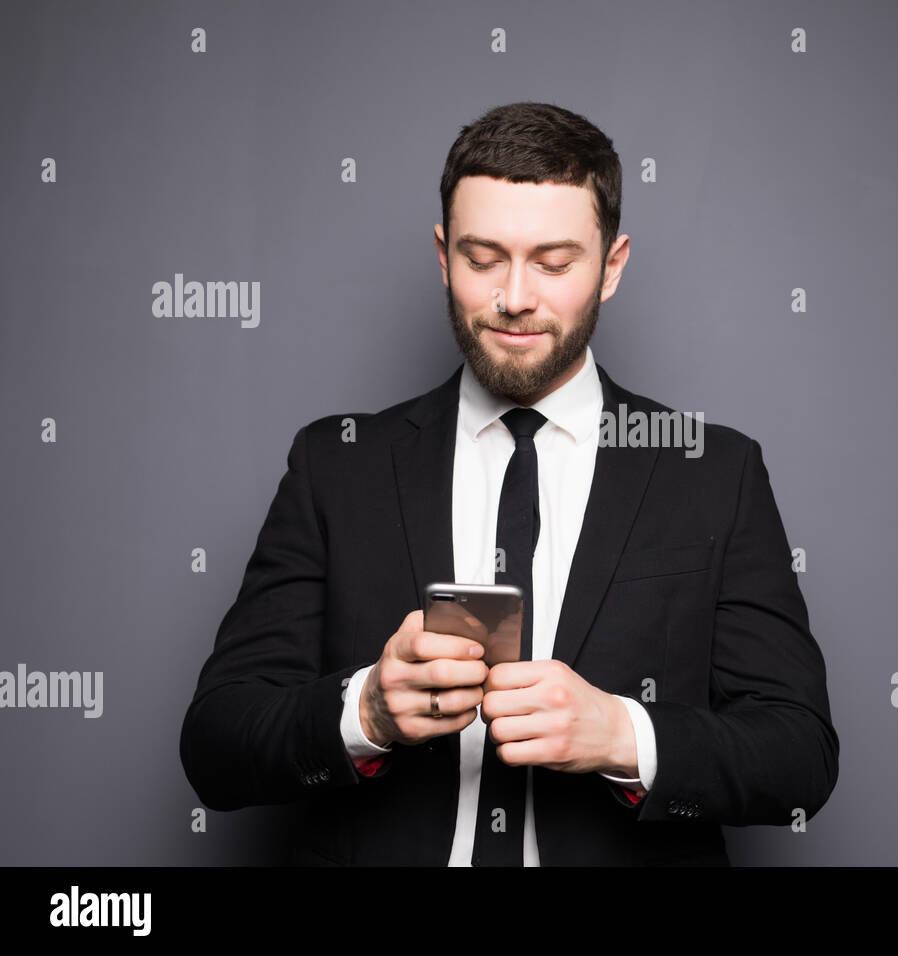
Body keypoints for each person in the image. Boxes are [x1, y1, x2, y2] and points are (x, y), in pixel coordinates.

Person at [179, 101, 838, 866]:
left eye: (555, 263)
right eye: (483, 258)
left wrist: (623, 734)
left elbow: (799, 758)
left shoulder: (714, 472)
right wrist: (366, 709)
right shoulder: (337, 465)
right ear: (442, 254)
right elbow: (217, 744)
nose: (516, 297)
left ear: (612, 266)